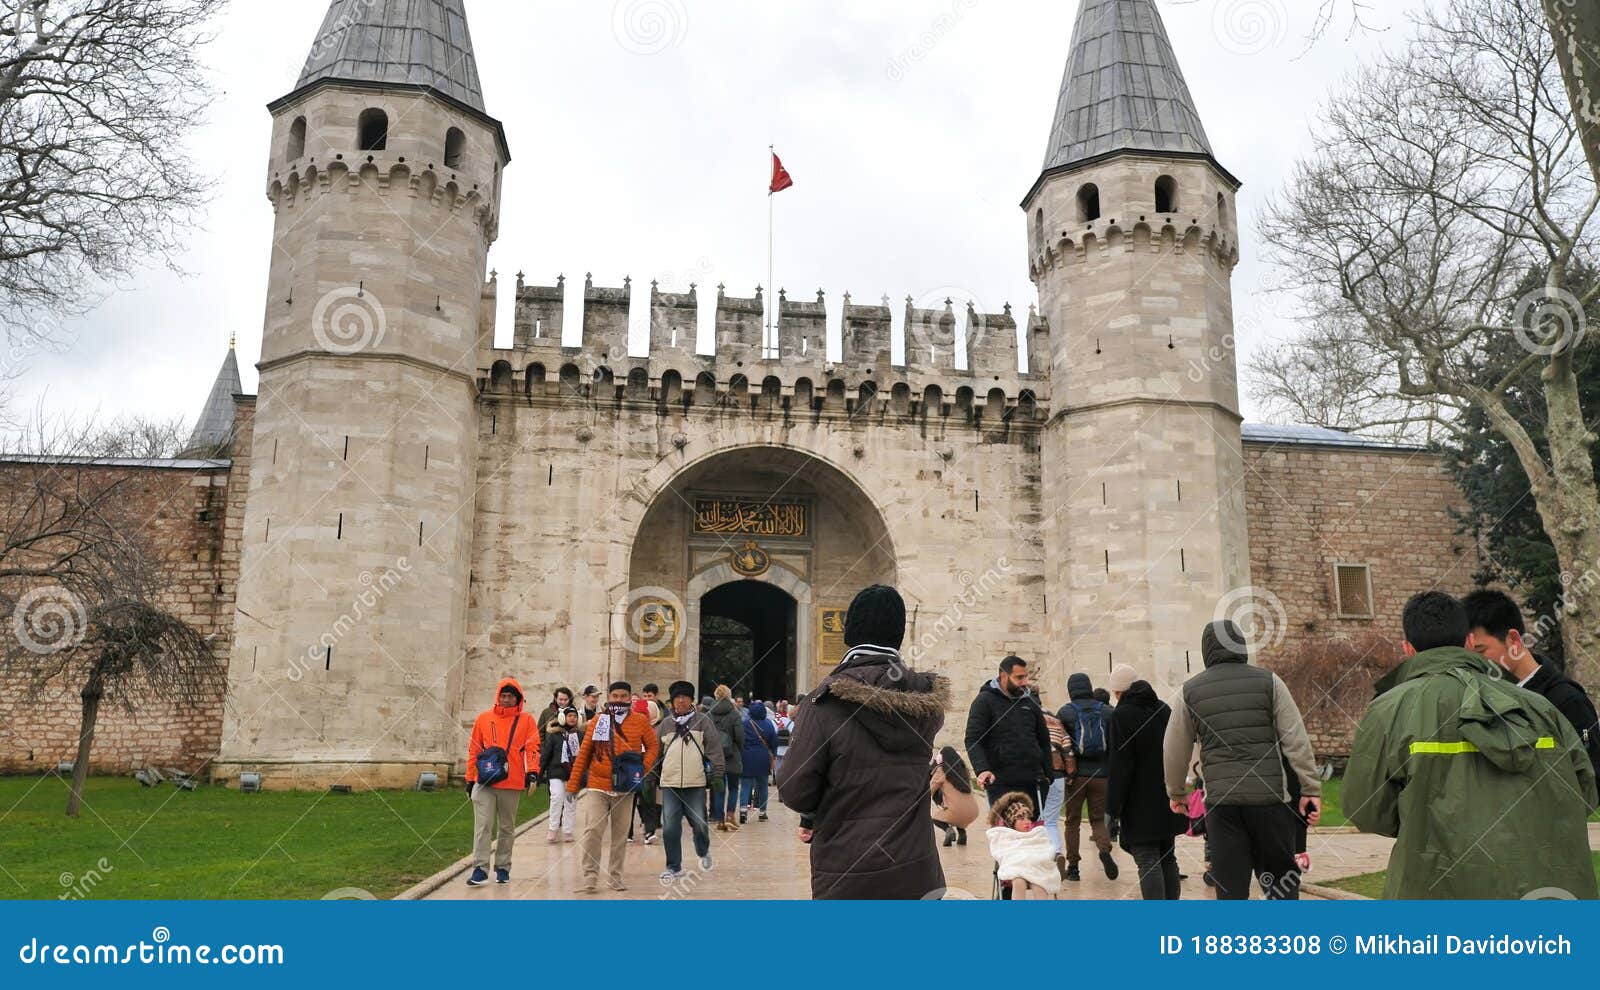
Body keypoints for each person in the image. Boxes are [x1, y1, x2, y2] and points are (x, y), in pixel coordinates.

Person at [1344, 592, 1598, 899]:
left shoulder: (1389, 710)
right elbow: (1583, 790)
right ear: (1467, 641)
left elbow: (1367, 809)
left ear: (1408, 648)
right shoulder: (1540, 707)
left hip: (1434, 891)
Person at [779, 584, 950, 900]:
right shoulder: (925, 701)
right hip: (917, 869)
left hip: (847, 872)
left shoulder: (824, 703)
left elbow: (795, 789)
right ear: (898, 635)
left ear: (849, 633)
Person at [1164, 620, 1321, 900]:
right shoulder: (1269, 682)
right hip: (1270, 801)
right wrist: (1310, 788)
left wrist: (1177, 793)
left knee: (1231, 889)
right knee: (1281, 886)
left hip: (1223, 805)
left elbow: (1175, 749)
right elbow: (1296, 739)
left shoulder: (1190, 692)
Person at [1464, 589, 1600, 782]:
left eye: (1481, 651)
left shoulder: (1566, 700)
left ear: (1513, 639)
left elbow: (1591, 779)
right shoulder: (1478, 701)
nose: (1474, 662)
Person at [566, 681, 660, 894]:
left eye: (623, 696)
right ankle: (590, 877)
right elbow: (585, 753)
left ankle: (615, 877)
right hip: (598, 785)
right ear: (609, 697)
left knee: (619, 836)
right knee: (592, 831)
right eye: (615, 696)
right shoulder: (599, 720)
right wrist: (573, 784)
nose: (619, 700)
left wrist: (641, 768)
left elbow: (653, 746)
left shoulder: (640, 721)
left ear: (629, 698)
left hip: (625, 787)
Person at [1106, 669, 1188, 899]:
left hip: (1138, 801)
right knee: (1167, 856)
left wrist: (1113, 808)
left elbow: (1120, 765)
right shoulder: (1163, 709)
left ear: (1118, 691)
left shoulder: (1122, 715)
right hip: (1166, 795)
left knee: (1147, 859)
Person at [464, 678, 541, 886]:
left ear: (517, 699)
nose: (506, 700)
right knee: (483, 826)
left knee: (507, 827)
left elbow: (533, 748)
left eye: (510, 696)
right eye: (503, 696)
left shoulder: (526, 721)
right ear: (498, 697)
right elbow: (474, 750)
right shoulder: (483, 719)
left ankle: (503, 867)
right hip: (485, 780)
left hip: (512, 780)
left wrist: (533, 772)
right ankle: (480, 868)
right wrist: (470, 778)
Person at [652, 680, 723, 881]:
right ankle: (673, 866)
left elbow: (715, 750)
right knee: (670, 828)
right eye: (677, 698)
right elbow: (655, 754)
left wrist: (717, 775)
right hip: (670, 784)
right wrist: (649, 779)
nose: (681, 701)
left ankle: (703, 850)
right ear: (672, 701)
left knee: (700, 824)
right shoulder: (665, 724)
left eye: (685, 697)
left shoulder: (703, 721)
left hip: (696, 784)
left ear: (692, 700)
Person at [964, 656, 1052, 817]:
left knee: (1030, 830)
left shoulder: (1030, 702)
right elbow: (973, 739)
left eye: (1025, 676)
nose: (1025, 682)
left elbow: (1044, 740)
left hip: (1032, 780)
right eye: (1019, 677)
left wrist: (1048, 774)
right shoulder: (984, 701)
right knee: (1006, 833)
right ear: (1004, 676)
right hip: (1000, 781)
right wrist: (982, 769)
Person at [1058, 672, 1117, 882]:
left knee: (1072, 821)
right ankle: (1104, 849)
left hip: (1076, 776)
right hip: (1102, 775)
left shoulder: (1066, 712)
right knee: (1098, 819)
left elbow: (1060, 745)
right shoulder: (1108, 712)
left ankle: (1073, 867)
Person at [987, 791, 1060, 899]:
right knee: (1018, 883)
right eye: (1021, 819)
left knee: (1040, 885)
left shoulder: (1036, 834)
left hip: (1037, 869)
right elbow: (1003, 854)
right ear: (1011, 822)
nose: (1027, 822)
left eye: (1028, 818)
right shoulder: (1006, 837)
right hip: (1016, 871)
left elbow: (1043, 849)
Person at [1037, 694, 1077, 878]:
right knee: (1051, 820)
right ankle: (1057, 853)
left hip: (1038, 775)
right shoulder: (1055, 721)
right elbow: (1068, 748)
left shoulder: (1026, 720)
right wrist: (1071, 773)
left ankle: (1041, 862)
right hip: (1058, 774)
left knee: (1036, 820)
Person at [540, 706, 581, 843]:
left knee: (570, 802)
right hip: (556, 772)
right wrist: (539, 773)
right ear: (563, 718)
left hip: (573, 774)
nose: (572, 718)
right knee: (557, 798)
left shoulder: (580, 736)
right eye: (569, 715)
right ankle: (553, 828)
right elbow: (546, 755)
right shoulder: (554, 735)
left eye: (574, 716)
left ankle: (568, 830)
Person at [707, 684, 745, 831]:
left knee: (718, 789)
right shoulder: (734, 713)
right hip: (732, 754)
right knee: (734, 787)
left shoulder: (709, 713)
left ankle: (720, 820)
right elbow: (740, 736)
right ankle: (730, 816)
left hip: (716, 756)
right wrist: (738, 749)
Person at [628, 696, 662, 845]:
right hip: (631, 771)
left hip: (648, 771)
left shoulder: (653, 732)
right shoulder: (629, 729)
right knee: (629, 803)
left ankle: (650, 831)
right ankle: (627, 832)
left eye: (644, 715)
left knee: (648, 801)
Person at [931, 745, 979, 846]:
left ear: (941, 759)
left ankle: (948, 830)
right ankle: (962, 834)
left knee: (936, 819)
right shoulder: (964, 771)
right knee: (958, 814)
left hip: (956, 811)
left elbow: (930, 790)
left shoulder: (941, 770)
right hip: (974, 812)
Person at [740, 700, 779, 822]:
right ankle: (762, 812)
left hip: (746, 756)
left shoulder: (744, 723)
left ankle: (743, 811)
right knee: (762, 786)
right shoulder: (768, 724)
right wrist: (774, 754)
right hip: (763, 757)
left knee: (746, 785)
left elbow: (739, 739)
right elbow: (774, 741)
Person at [772, 701, 793, 779]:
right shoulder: (790, 721)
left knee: (777, 765)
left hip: (777, 748)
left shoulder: (773, 721)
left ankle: (777, 779)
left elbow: (772, 733)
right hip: (787, 748)